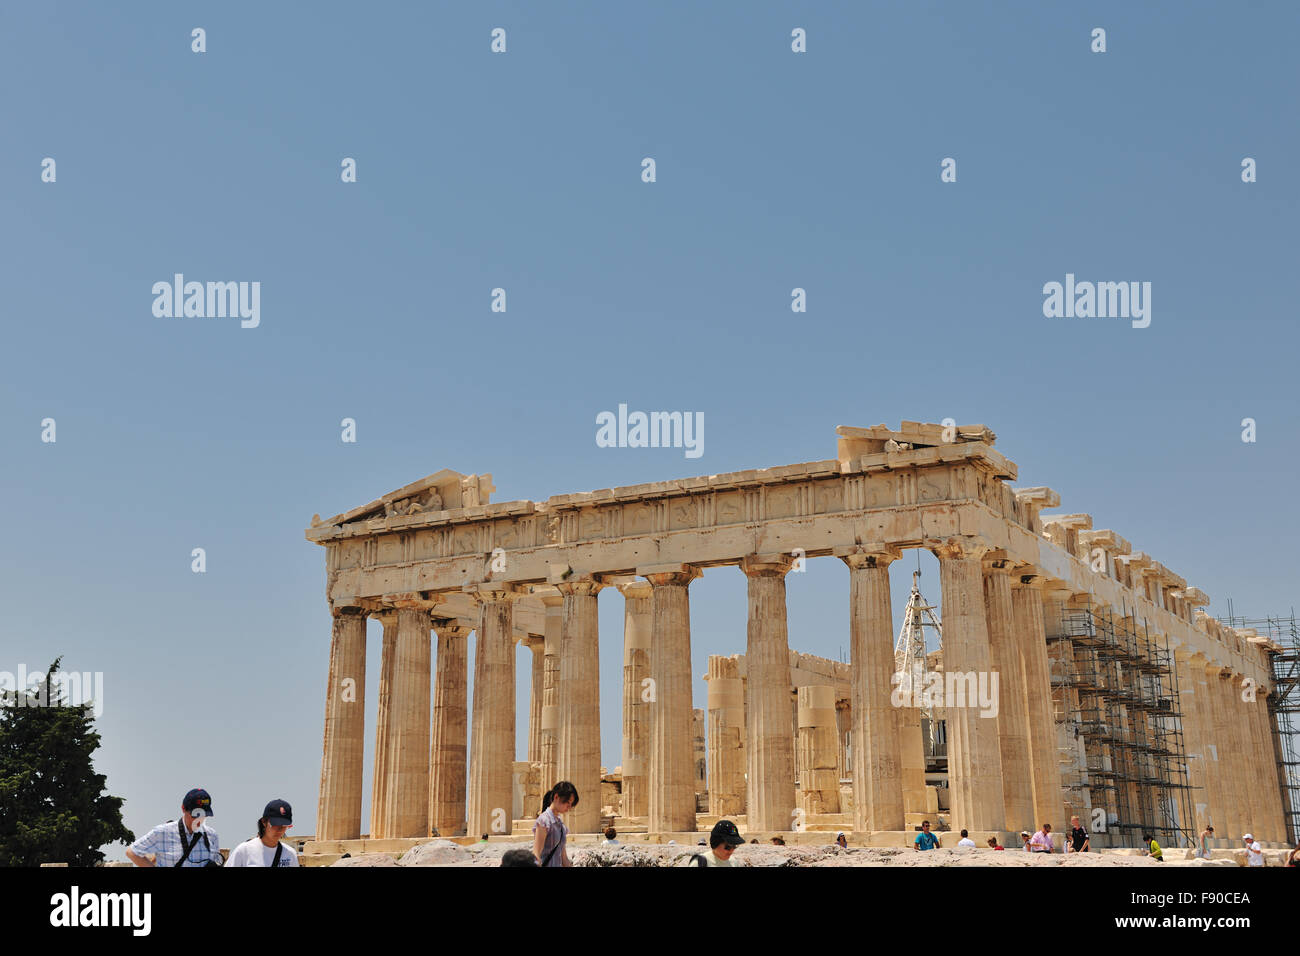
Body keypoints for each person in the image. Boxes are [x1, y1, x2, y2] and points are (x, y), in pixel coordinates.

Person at [126, 788, 222, 867]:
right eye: (195, 815)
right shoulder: (162, 832)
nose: (199, 819)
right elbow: (132, 852)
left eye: (204, 815)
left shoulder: (212, 835)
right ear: (183, 809)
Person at [226, 799, 298, 867]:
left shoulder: (290, 854)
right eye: (275, 824)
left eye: (284, 825)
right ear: (264, 822)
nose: (280, 829)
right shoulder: (244, 851)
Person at [532, 781, 578, 867]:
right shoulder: (544, 821)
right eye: (568, 802)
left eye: (571, 804)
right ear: (556, 797)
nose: (569, 807)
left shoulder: (560, 825)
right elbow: (536, 855)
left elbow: (563, 858)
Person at [677, 820, 745, 867]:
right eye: (728, 847)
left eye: (734, 846)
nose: (731, 850)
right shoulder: (699, 864)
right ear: (716, 843)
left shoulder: (734, 863)